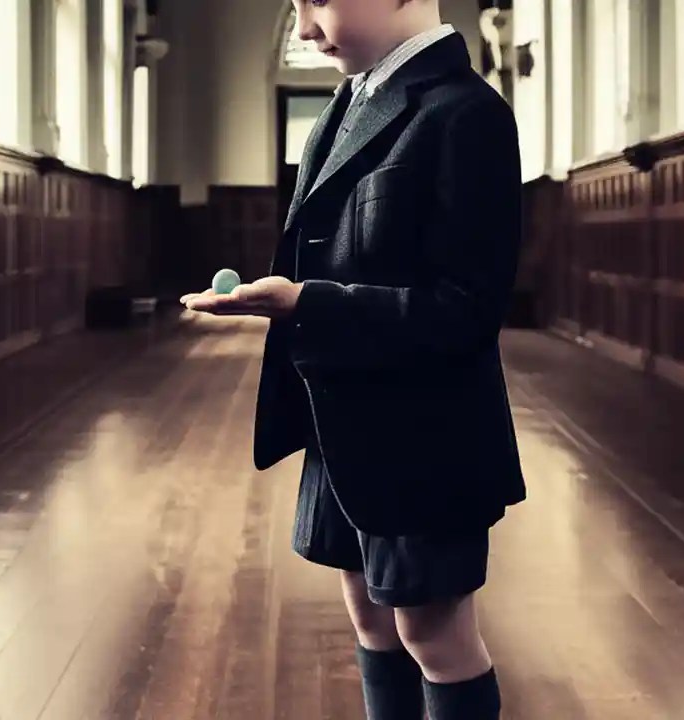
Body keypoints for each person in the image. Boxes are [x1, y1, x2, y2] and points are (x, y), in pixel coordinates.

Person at [181, 1, 525, 717]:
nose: (304, 28)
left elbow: (466, 311)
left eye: (318, 1)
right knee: (369, 614)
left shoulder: (468, 113)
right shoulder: (347, 100)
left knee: (434, 632)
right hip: (342, 421)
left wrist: (307, 304)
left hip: (427, 433)